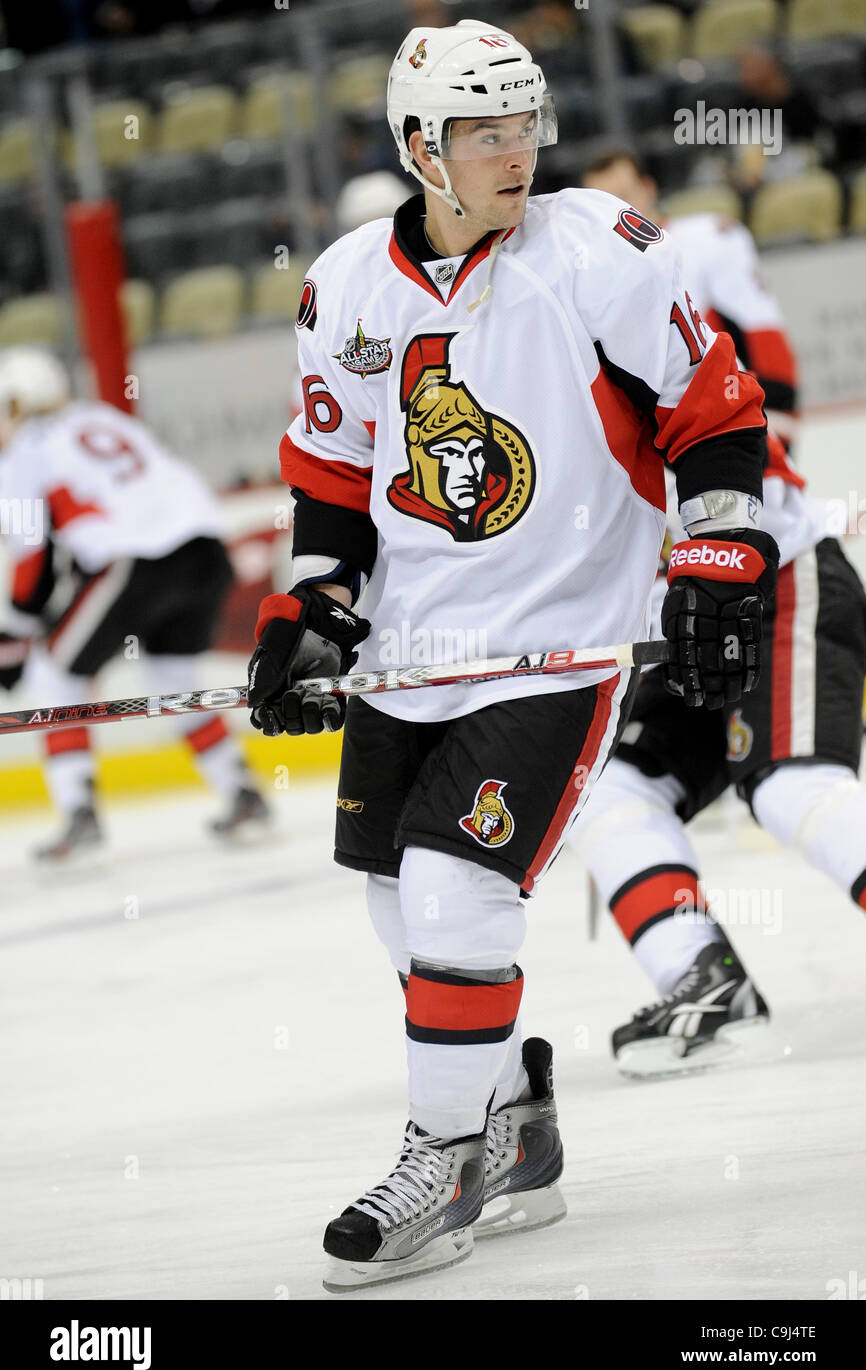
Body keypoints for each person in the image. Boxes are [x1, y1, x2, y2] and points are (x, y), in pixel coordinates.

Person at [246, 18, 778, 1292]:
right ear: (418, 146)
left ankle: (443, 1160)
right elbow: (332, 473)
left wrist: (716, 554)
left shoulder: (598, 248)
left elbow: (714, 412)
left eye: (524, 121)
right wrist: (315, 606)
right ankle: (517, 1115)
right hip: (415, 652)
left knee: (449, 891)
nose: (514, 150)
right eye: (484, 130)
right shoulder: (343, 287)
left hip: (559, 646)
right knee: (391, 894)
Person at [566, 159, 866, 1079]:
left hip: (774, 577)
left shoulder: (648, 319)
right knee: (606, 790)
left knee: (787, 783)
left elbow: (748, 424)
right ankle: (700, 973)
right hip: (686, 614)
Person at [0, 347, 268, 859]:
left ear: (16, 404)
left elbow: (31, 566)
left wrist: (12, 639)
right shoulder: (100, 417)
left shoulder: (23, 454)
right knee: (172, 681)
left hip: (135, 562)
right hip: (208, 552)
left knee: (52, 672)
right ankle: (241, 791)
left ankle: (78, 811)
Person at [582, 148, 799, 450]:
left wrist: (772, 415)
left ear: (649, 188)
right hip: (658, 436)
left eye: (623, 196)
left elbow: (761, 332)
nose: (615, 212)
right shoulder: (591, 273)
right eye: (603, 204)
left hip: (729, 417)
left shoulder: (707, 238)